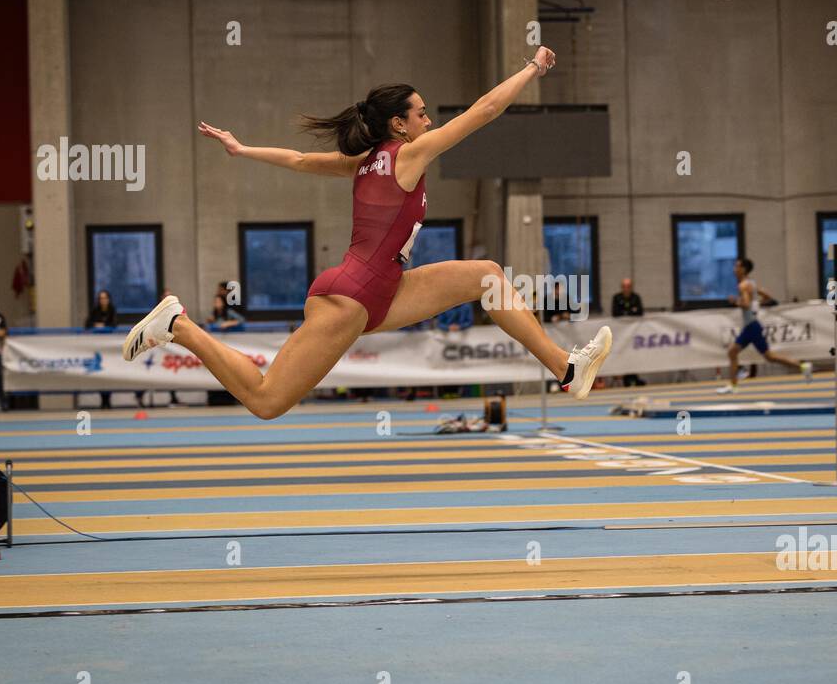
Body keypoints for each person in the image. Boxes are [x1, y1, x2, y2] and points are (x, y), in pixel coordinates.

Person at [123, 46, 612, 417]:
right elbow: (483, 111)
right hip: (352, 297)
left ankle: (566, 369)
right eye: (421, 113)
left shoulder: (362, 161)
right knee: (266, 400)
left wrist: (242, 149)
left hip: (383, 288)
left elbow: (297, 160)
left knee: (486, 276)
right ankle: (180, 325)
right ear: (399, 125)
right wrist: (532, 69)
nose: (429, 119)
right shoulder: (409, 154)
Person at [718, 258, 810, 394]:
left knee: (733, 352)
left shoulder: (743, 285)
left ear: (743, 269)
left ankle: (734, 386)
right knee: (768, 357)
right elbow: (768, 297)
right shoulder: (752, 284)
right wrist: (757, 304)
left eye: (737, 266)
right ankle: (803, 366)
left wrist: (735, 300)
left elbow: (746, 305)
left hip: (751, 326)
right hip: (752, 325)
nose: (734, 269)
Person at [85, 289, 118, 408]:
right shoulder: (95, 310)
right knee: (99, 373)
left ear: (108, 299)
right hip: (98, 346)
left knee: (109, 373)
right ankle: (102, 400)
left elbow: (114, 324)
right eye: (101, 298)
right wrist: (95, 325)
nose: (103, 300)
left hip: (109, 346)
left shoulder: (112, 310)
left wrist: (105, 326)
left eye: (105, 298)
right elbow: (87, 324)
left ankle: (108, 399)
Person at [611, 278, 646, 387]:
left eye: (628, 286)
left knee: (634, 353)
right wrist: (631, 311)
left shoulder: (636, 297)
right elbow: (615, 313)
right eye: (624, 286)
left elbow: (639, 311)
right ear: (622, 287)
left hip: (634, 332)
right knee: (622, 352)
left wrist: (626, 312)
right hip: (621, 332)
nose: (626, 289)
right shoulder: (617, 298)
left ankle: (633, 376)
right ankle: (626, 377)